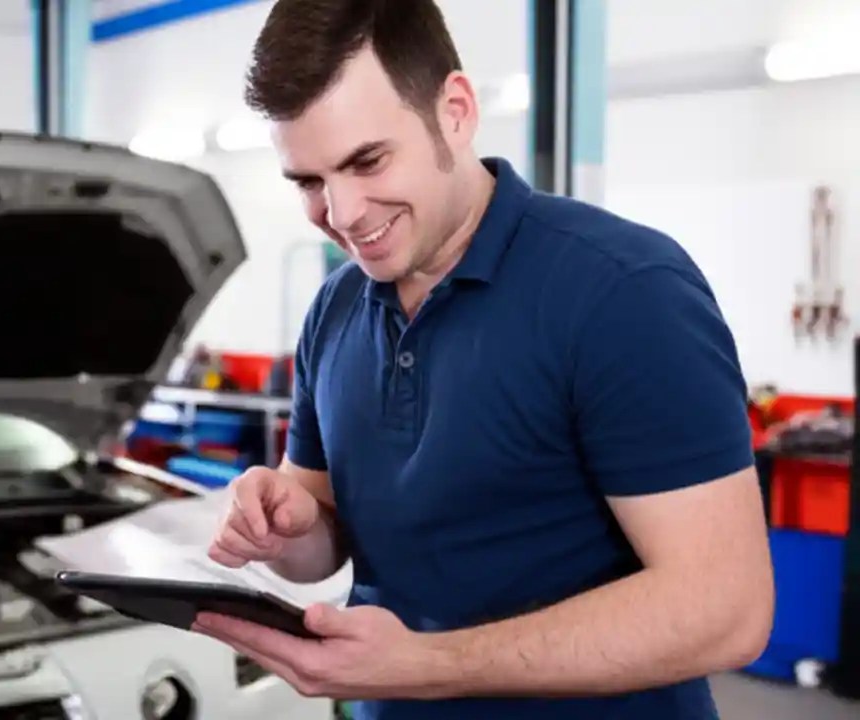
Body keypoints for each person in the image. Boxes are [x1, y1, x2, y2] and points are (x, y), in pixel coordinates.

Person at [200, 1, 775, 718]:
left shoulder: (622, 290)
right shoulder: (336, 309)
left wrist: (425, 666)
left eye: (367, 160)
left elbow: (726, 608)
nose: (342, 214)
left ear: (456, 111)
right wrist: (289, 527)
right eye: (309, 182)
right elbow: (323, 536)